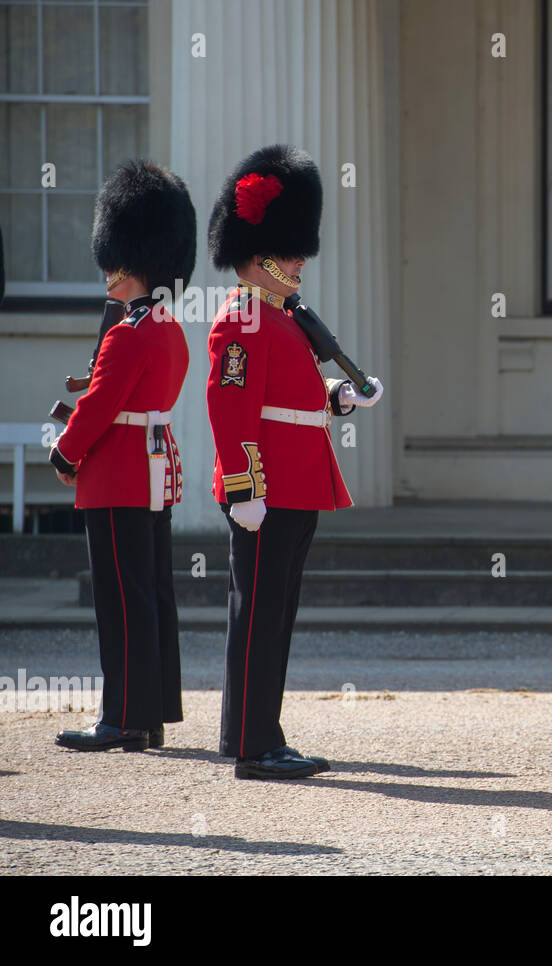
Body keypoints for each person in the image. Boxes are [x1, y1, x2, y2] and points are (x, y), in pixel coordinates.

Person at [206, 144, 385, 780]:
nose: (299, 261)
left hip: (296, 481)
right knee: (258, 614)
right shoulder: (242, 323)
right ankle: (256, 747)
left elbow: (289, 400)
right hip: (268, 489)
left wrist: (338, 396)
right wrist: (243, 487)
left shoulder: (280, 318)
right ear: (258, 258)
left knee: (273, 612)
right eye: (288, 253)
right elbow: (231, 414)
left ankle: (252, 734)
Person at [50, 161, 195, 752]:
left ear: (126, 263)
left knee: (120, 598)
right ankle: (151, 713)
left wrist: (64, 452)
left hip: (116, 475)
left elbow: (101, 408)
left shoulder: (128, 332)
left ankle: (122, 719)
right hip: (155, 468)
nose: (106, 272)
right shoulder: (167, 328)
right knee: (151, 591)